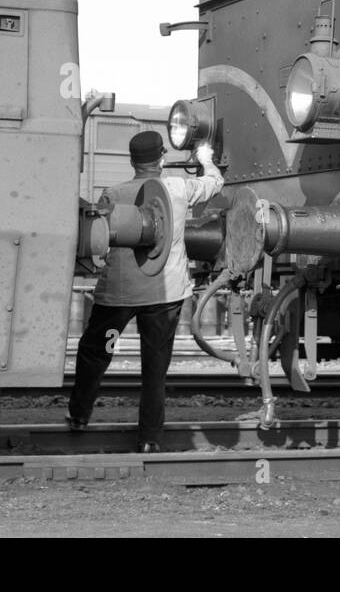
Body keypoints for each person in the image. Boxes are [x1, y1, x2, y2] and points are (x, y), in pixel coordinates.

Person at [67, 129, 224, 452]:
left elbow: (100, 236)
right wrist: (207, 160)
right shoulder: (178, 188)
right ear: (162, 159)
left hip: (119, 296)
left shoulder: (113, 193)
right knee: (155, 367)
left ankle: (79, 416)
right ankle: (149, 439)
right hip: (164, 297)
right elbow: (213, 184)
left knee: (95, 352)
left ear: (132, 161)